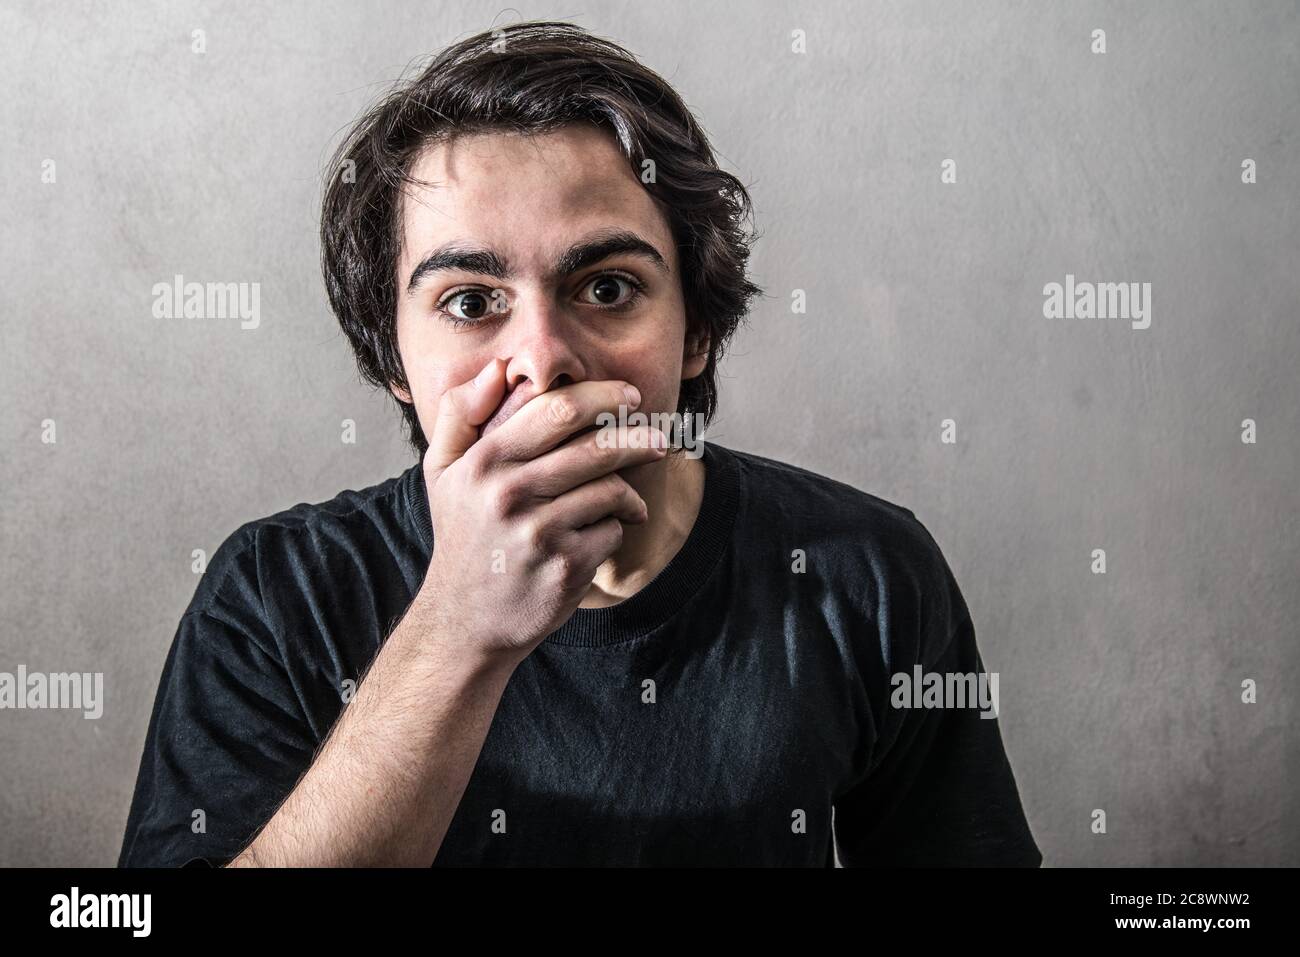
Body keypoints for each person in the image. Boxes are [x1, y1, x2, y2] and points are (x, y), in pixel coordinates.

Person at [117, 20, 1041, 867]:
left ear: (696, 328)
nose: (543, 358)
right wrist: (460, 627)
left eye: (607, 288)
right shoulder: (275, 596)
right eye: (470, 302)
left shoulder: (866, 573)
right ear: (393, 356)